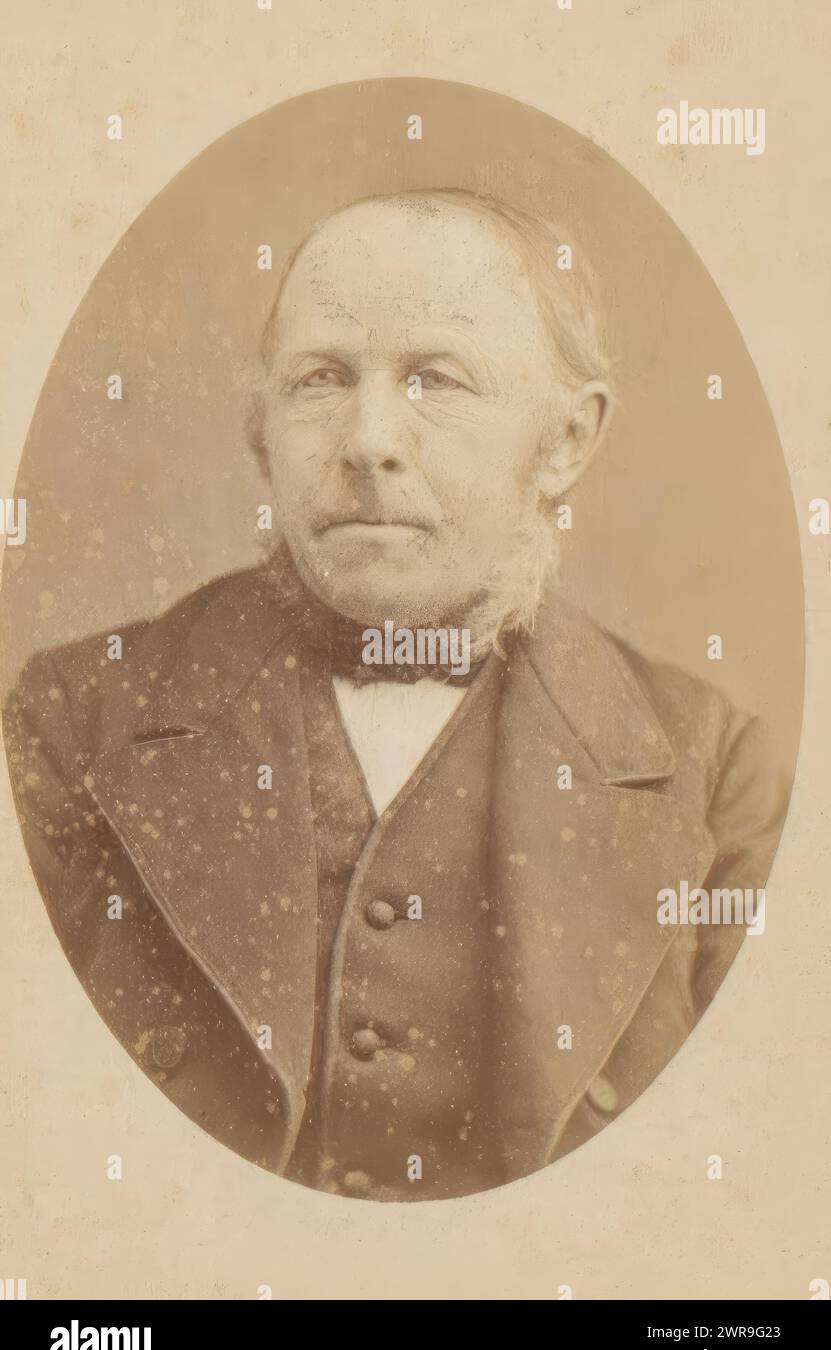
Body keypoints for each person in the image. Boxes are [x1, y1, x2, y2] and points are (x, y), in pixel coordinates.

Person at [3, 188, 790, 1200]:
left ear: (564, 443)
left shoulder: (715, 777)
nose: (368, 437)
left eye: (436, 378)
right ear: (260, 431)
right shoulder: (73, 724)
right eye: (321, 379)